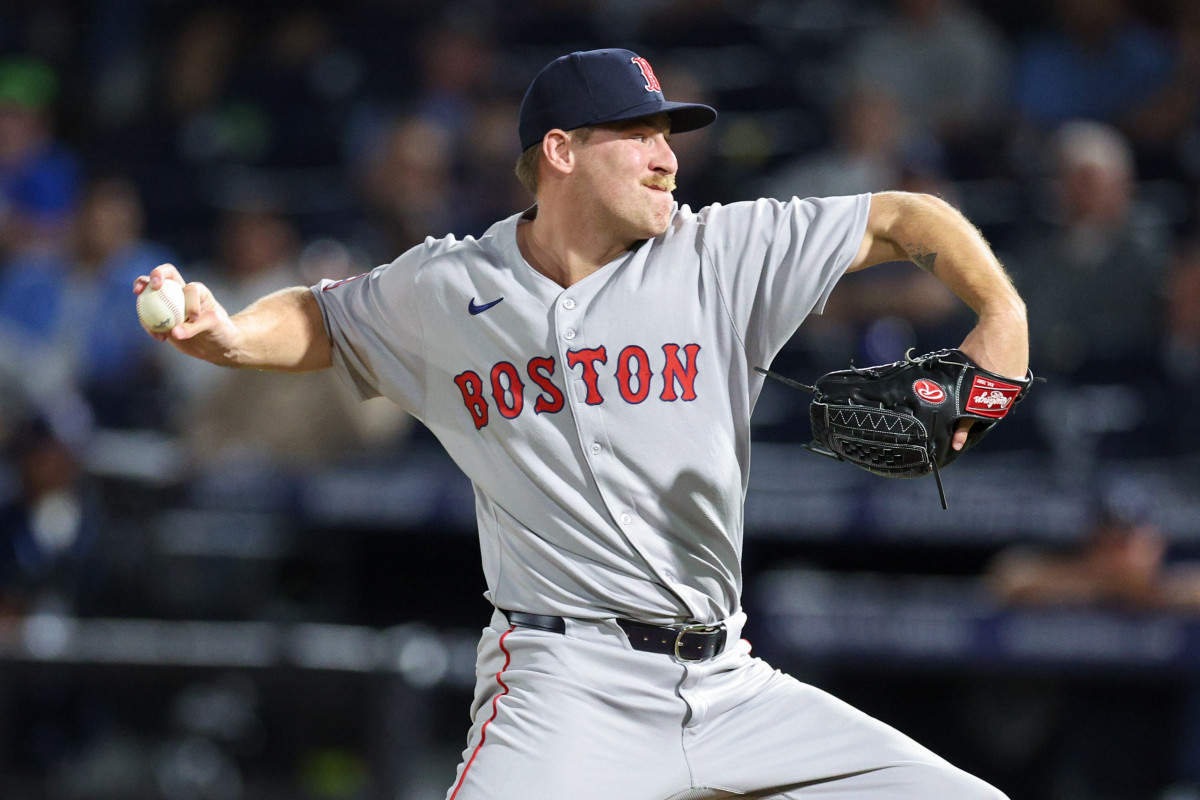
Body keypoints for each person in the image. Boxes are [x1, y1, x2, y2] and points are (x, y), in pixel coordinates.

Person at [135, 49, 1027, 800]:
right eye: (638, 135)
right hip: (566, 685)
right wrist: (230, 338)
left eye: (668, 137)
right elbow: (325, 320)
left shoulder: (721, 252)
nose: (667, 158)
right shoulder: (450, 286)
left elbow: (909, 219)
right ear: (559, 151)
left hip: (728, 680)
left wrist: (1001, 323)